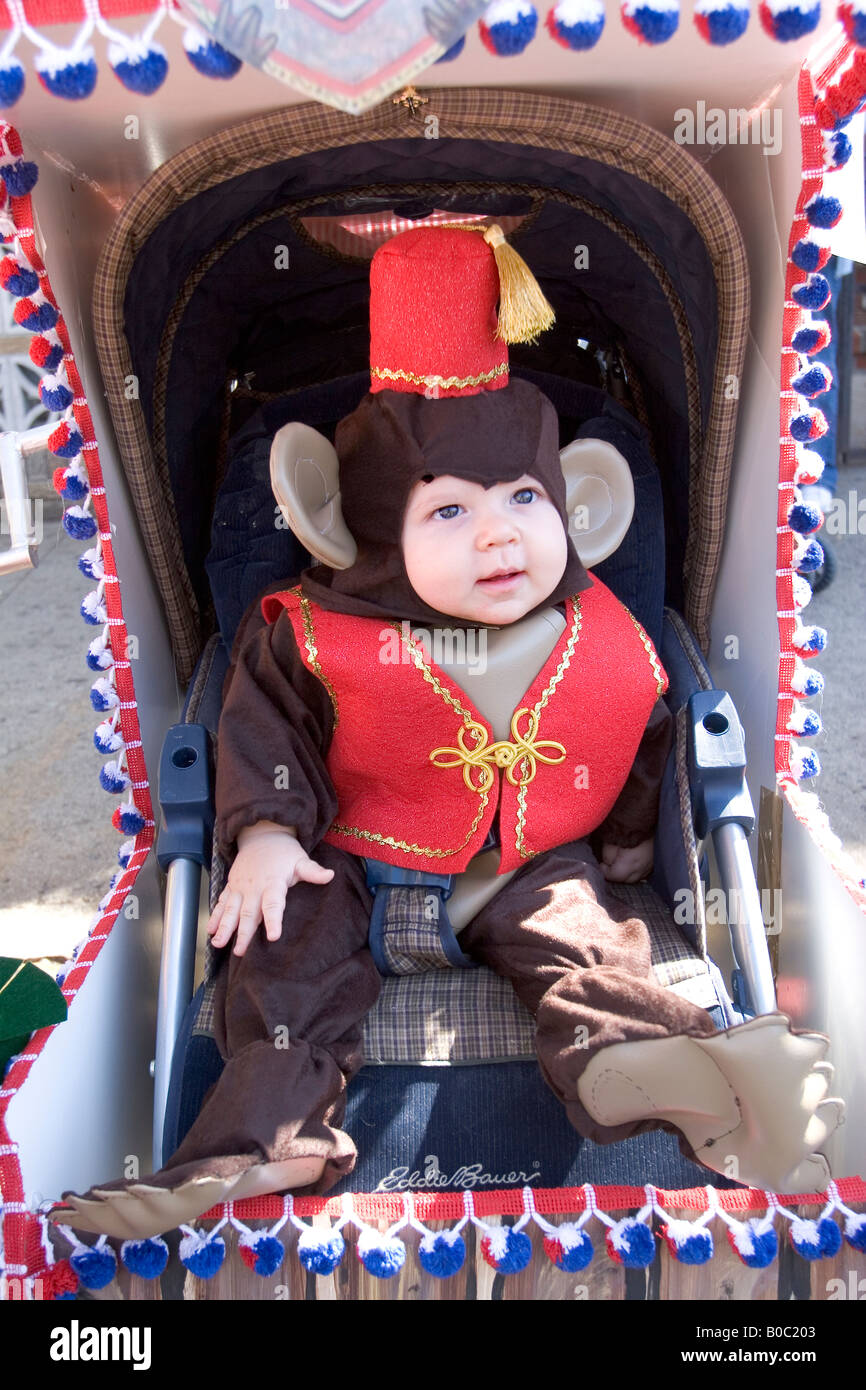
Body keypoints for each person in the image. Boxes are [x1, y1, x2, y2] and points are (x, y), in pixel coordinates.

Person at [52, 226, 841, 1241]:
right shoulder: (309, 630)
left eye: (522, 497)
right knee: (286, 961)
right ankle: (265, 1133)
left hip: (527, 862)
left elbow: (637, 730)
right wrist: (265, 832)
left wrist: (635, 836)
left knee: (590, 935)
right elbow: (264, 728)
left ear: (570, 501)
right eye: (448, 511)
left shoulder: (595, 625)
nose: (500, 532)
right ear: (372, 534)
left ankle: (632, 1060)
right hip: (343, 854)